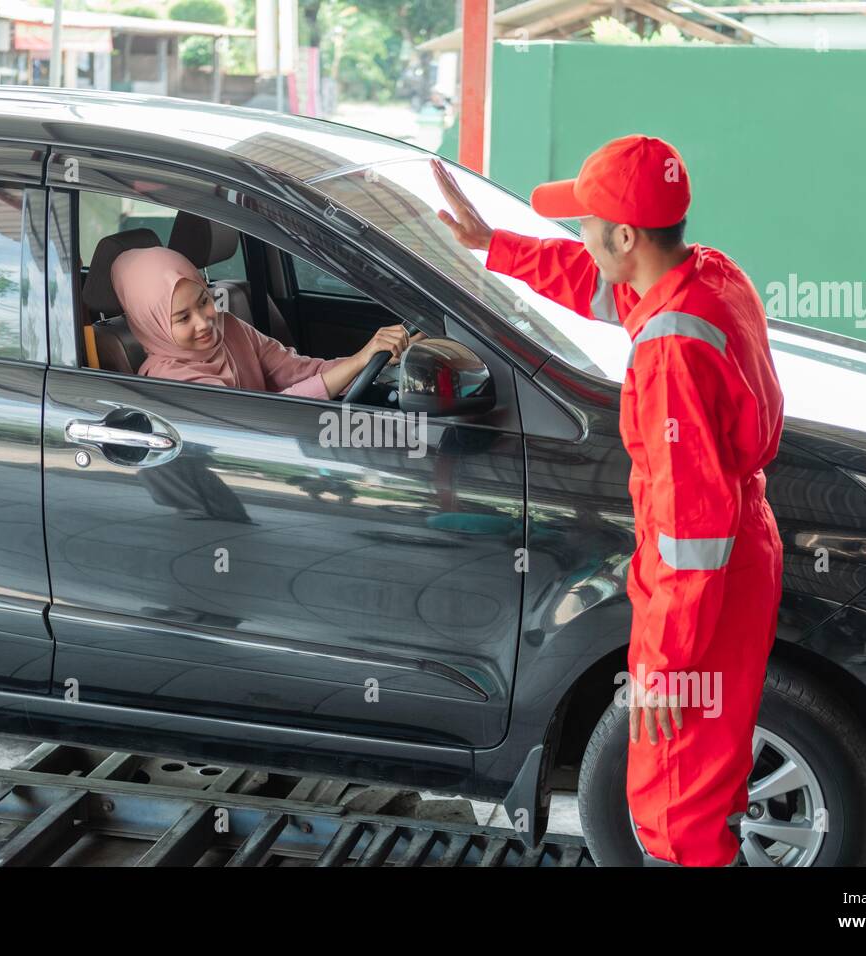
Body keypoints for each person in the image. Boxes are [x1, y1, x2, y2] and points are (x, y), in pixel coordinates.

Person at [432, 136, 785, 868]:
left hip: (700, 589)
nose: (580, 236)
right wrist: (490, 244)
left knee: (675, 804)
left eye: (588, 224)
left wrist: (664, 667)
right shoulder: (706, 276)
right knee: (706, 779)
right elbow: (594, 282)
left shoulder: (670, 355)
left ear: (625, 236)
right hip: (740, 562)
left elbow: (693, 529)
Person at [110, 245, 421, 399]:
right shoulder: (167, 379)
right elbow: (254, 418)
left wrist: (382, 362)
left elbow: (301, 371)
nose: (204, 323)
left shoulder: (229, 327)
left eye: (204, 301)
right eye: (182, 318)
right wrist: (358, 364)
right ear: (154, 326)